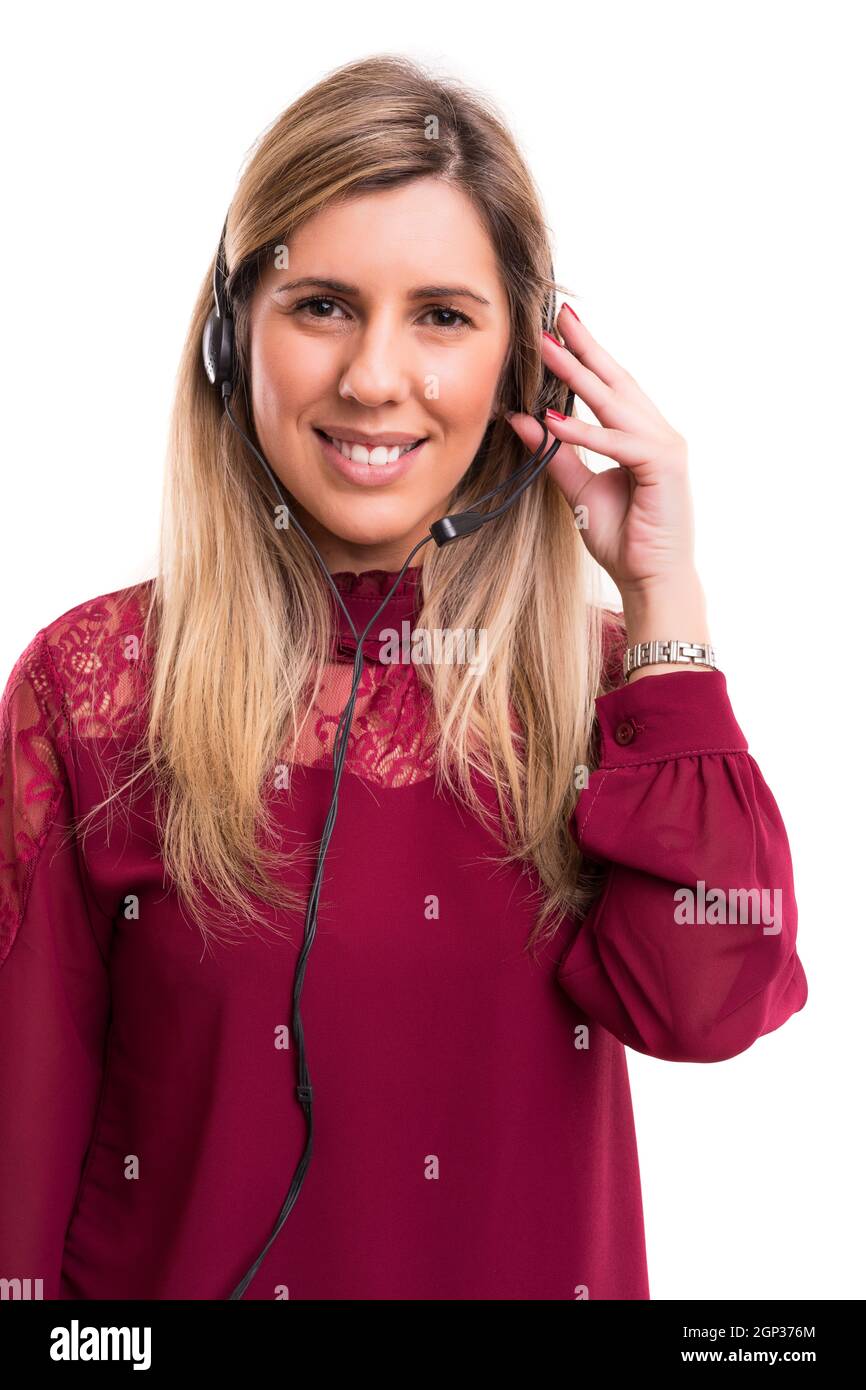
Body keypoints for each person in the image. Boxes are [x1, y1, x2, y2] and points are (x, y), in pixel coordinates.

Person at [0, 53, 807, 1302]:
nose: (375, 377)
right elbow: (21, 1152)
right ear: (232, 340)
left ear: (522, 371)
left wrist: (664, 601)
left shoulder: (610, 696)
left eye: (441, 314)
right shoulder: (93, 689)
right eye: (320, 303)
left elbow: (708, 999)